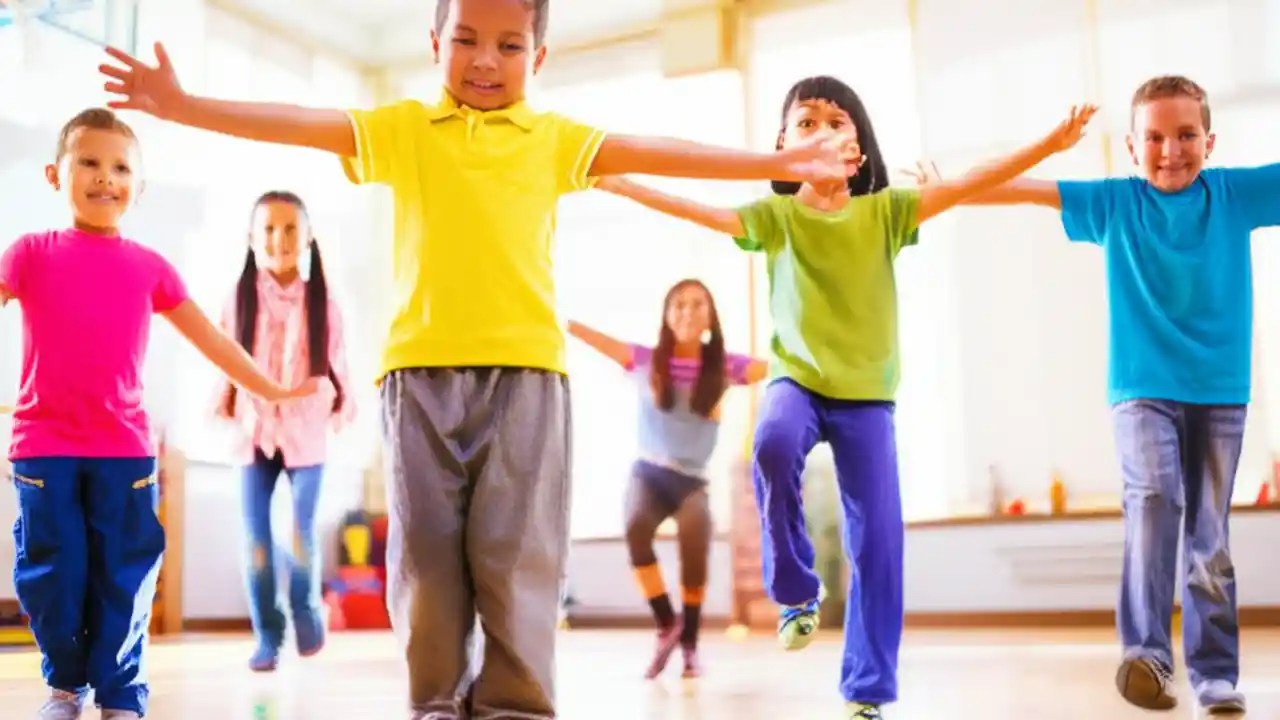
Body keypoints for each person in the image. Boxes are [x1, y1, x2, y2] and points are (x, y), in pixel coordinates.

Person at [96, 1, 848, 717]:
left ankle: (516, 704)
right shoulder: (404, 129)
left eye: (509, 45)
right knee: (424, 553)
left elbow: (665, 151)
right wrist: (184, 105)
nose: (485, 60)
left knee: (517, 550)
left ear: (539, 55)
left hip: (527, 377)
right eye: (465, 39)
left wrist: (773, 158)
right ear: (434, 44)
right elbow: (299, 123)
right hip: (418, 375)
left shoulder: (555, 139)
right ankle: (434, 701)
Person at [592, 75, 1094, 718]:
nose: (822, 129)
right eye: (806, 122)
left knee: (879, 542)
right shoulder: (772, 219)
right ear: (781, 147)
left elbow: (970, 181)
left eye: (838, 121)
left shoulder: (886, 213)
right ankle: (796, 591)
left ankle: (866, 691)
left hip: (867, 401)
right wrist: (617, 181)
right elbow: (696, 209)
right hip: (796, 382)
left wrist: (1050, 143)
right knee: (771, 443)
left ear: (858, 153)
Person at [916, 74, 1273, 715]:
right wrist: (952, 188)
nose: (1171, 151)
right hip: (1141, 390)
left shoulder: (1236, 195)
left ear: (1210, 140)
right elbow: (1026, 193)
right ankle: (1147, 657)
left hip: (1220, 390)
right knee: (1155, 498)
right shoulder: (1114, 203)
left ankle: (1216, 675)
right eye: (1155, 138)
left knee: (1210, 536)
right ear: (1132, 150)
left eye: (1186, 135)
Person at [0, 108, 317, 720]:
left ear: (138, 188)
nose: (104, 177)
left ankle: (120, 696)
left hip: (124, 453)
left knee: (124, 577)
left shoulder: (150, 267)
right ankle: (66, 687)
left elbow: (216, 344)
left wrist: (272, 390)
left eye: (121, 167)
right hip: (43, 449)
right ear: (54, 174)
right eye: (88, 162)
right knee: (53, 578)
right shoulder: (29, 255)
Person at [567, 279, 767, 680]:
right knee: (635, 526)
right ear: (666, 315)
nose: (688, 312)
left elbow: (781, 366)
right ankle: (665, 624)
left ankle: (690, 644)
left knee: (697, 539)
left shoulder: (726, 367)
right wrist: (561, 321)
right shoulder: (645, 360)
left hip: (693, 481)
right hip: (650, 474)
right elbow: (589, 336)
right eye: (678, 305)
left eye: (697, 305)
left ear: (710, 316)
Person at [213, 190, 355, 672]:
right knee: (255, 540)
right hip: (254, 432)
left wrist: (339, 410)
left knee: (300, 534)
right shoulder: (238, 298)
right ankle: (267, 637)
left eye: (291, 228)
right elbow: (224, 359)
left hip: (306, 432)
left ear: (309, 238)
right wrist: (225, 406)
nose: (280, 239)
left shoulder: (326, 303)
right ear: (252, 239)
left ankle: (306, 608)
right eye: (269, 229)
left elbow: (337, 368)